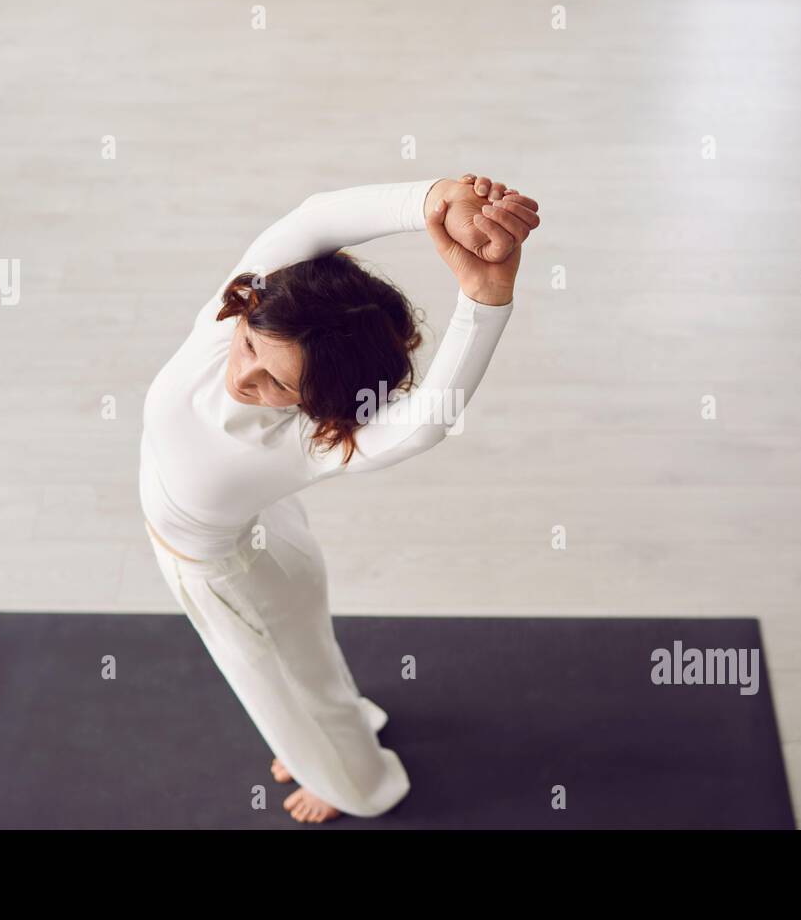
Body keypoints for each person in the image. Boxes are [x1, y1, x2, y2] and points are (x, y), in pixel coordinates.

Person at [139, 173, 540, 822]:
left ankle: (355, 780)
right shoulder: (247, 309)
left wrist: (485, 298)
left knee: (279, 690)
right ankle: (335, 734)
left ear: (320, 403)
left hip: (225, 574)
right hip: (250, 540)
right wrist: (436, 199)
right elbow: (316, 218)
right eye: (248, 347)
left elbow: (428, 419)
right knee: (302, 671)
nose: (242, 375)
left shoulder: (310, 441)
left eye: (274, 380)